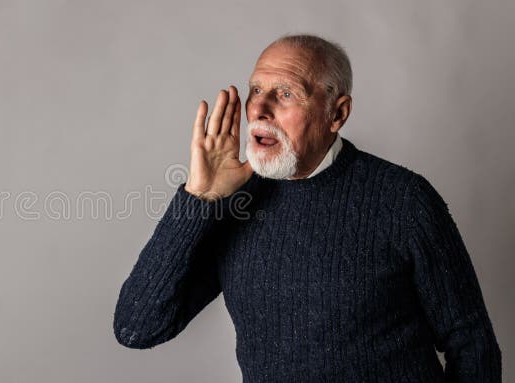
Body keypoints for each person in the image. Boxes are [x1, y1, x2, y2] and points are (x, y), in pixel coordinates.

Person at [113, 34, 501, 382]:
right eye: (256, 90)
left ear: (337, 113)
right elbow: (137, 328)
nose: (258, 109)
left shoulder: (404, 199)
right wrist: (198, 198)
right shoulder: (236, 203)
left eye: (285, 94)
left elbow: (471, 342)